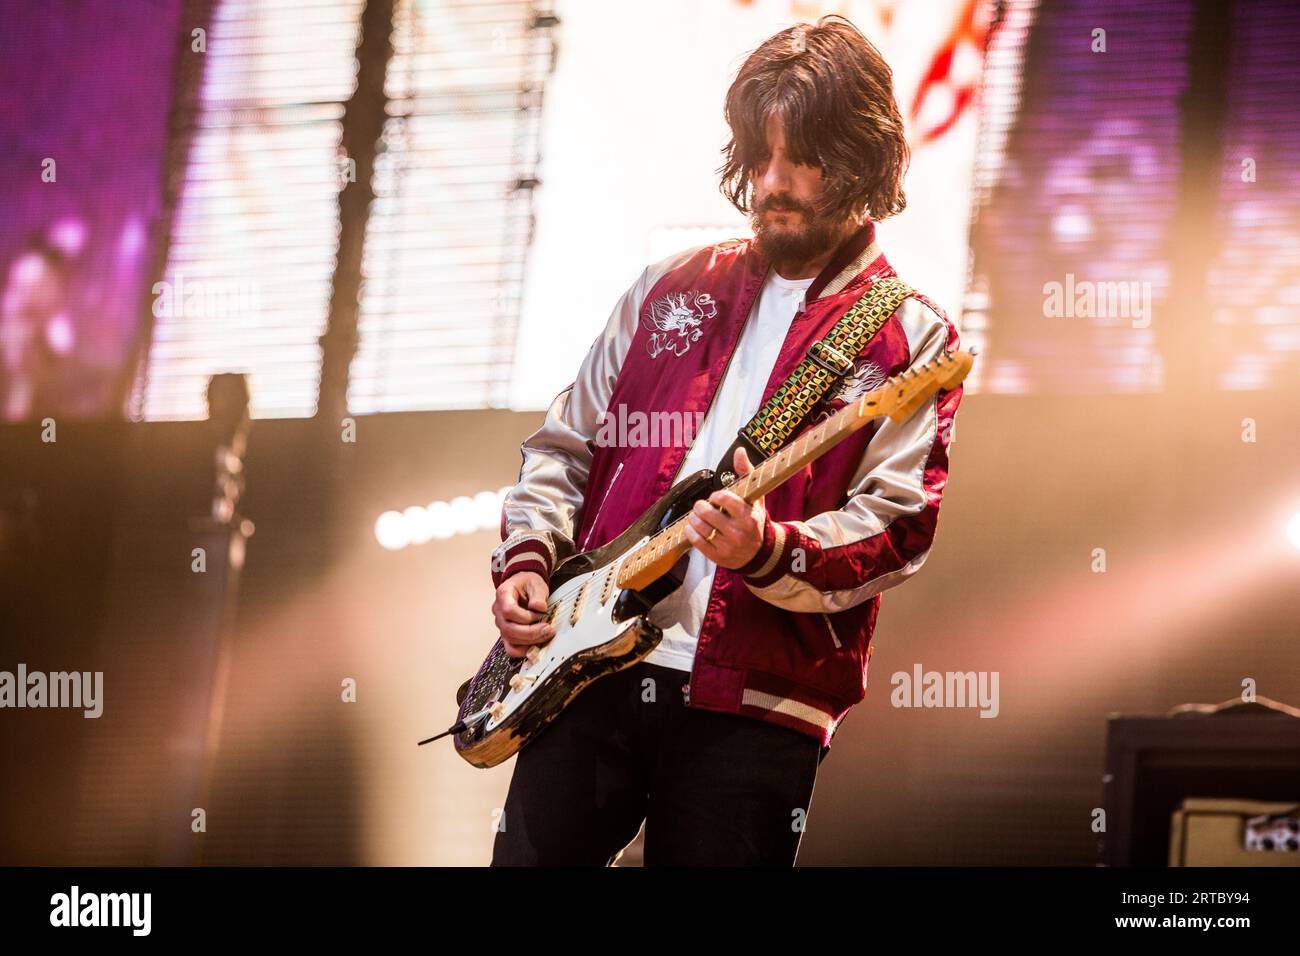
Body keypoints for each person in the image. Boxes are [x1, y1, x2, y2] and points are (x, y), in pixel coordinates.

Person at [487, 16, 963, 866]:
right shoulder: (668, 288)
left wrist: (769, 550)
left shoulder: (909, 338)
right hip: (583, 675)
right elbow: (563, 449)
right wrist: (528, 561)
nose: (771, 182)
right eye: (758, 156)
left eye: (802, 158)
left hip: (753, 709)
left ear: (861, 163)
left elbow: (899, 525)